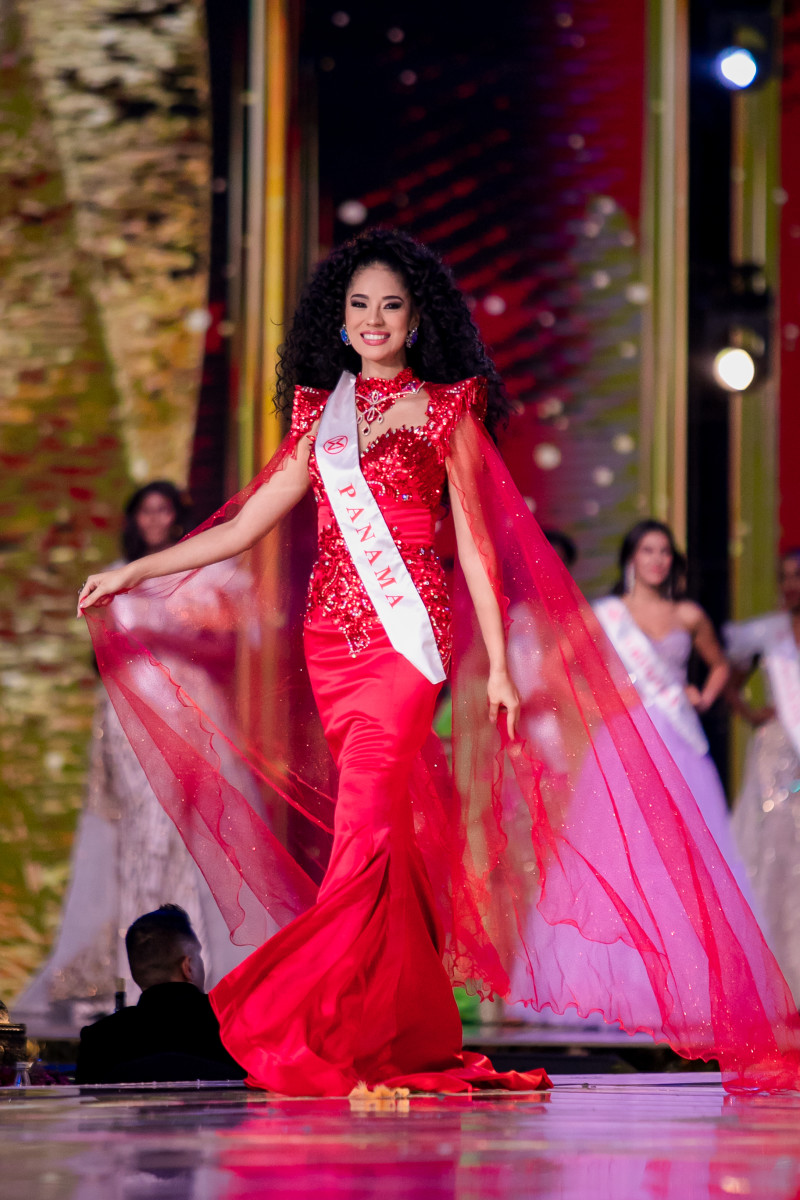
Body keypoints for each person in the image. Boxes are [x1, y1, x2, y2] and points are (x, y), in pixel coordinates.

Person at [78, 229, 800, 1096]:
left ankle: (304, 1011)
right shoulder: (322, 414)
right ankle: (385, 1026)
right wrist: (134, 571)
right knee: (376, 841)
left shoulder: (446, 408)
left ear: (415, 319)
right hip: (331, 646)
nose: (374, 319)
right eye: (360, 306)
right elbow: (241, 525)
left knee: (368, 830)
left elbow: (479, 552)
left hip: (403, 644)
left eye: (391, 305)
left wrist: (495, 664)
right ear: (340, 323)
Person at [14, 483, 251, 1037]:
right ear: (133, 519)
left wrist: (172, 627)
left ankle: (197, 978)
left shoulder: (208, 574)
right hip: (131, 720)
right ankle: (138, 979)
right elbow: (100, 653)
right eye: (145, 509)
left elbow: (235, 646)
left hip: (194, 715)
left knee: (196, 842)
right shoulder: (117, 575)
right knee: (143, 841)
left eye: (164, 508)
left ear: (178, 517)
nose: (154, 517)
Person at [591, 520, 756, 902]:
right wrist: (603, 697)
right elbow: (562, 665)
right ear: (631, 557)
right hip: (624, 735)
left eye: (665, 551)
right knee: (624, 838)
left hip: (677, 736)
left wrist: (706, 695)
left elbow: (720, 664)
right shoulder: (608, 614)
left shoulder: (688, 614)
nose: (657, 559)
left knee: (682, 841)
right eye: (648, 550)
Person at [725, 549, 800, 1004]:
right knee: (773, 856)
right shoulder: (768, 634)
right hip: (777, 755)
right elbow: (730, 681)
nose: (792, 583)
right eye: (785, 575)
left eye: (799, 574)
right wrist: (754, 714)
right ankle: (774, 985)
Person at [75, 904, 245, 1084]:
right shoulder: (235, 1026)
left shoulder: (98, 1039)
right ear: (188, 967)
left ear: (136, 972)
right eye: (198, 956)